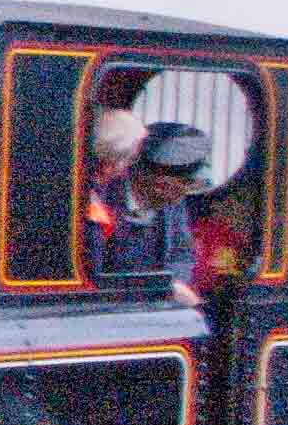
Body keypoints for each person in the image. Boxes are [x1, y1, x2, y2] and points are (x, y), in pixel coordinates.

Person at [93, 116, 217, 299]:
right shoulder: (101, 199)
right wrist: (159, 289)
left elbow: (182, 254)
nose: (184, 194)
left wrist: (175, 285)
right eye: (184, 184)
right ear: (159, 183)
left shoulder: (173, 206)